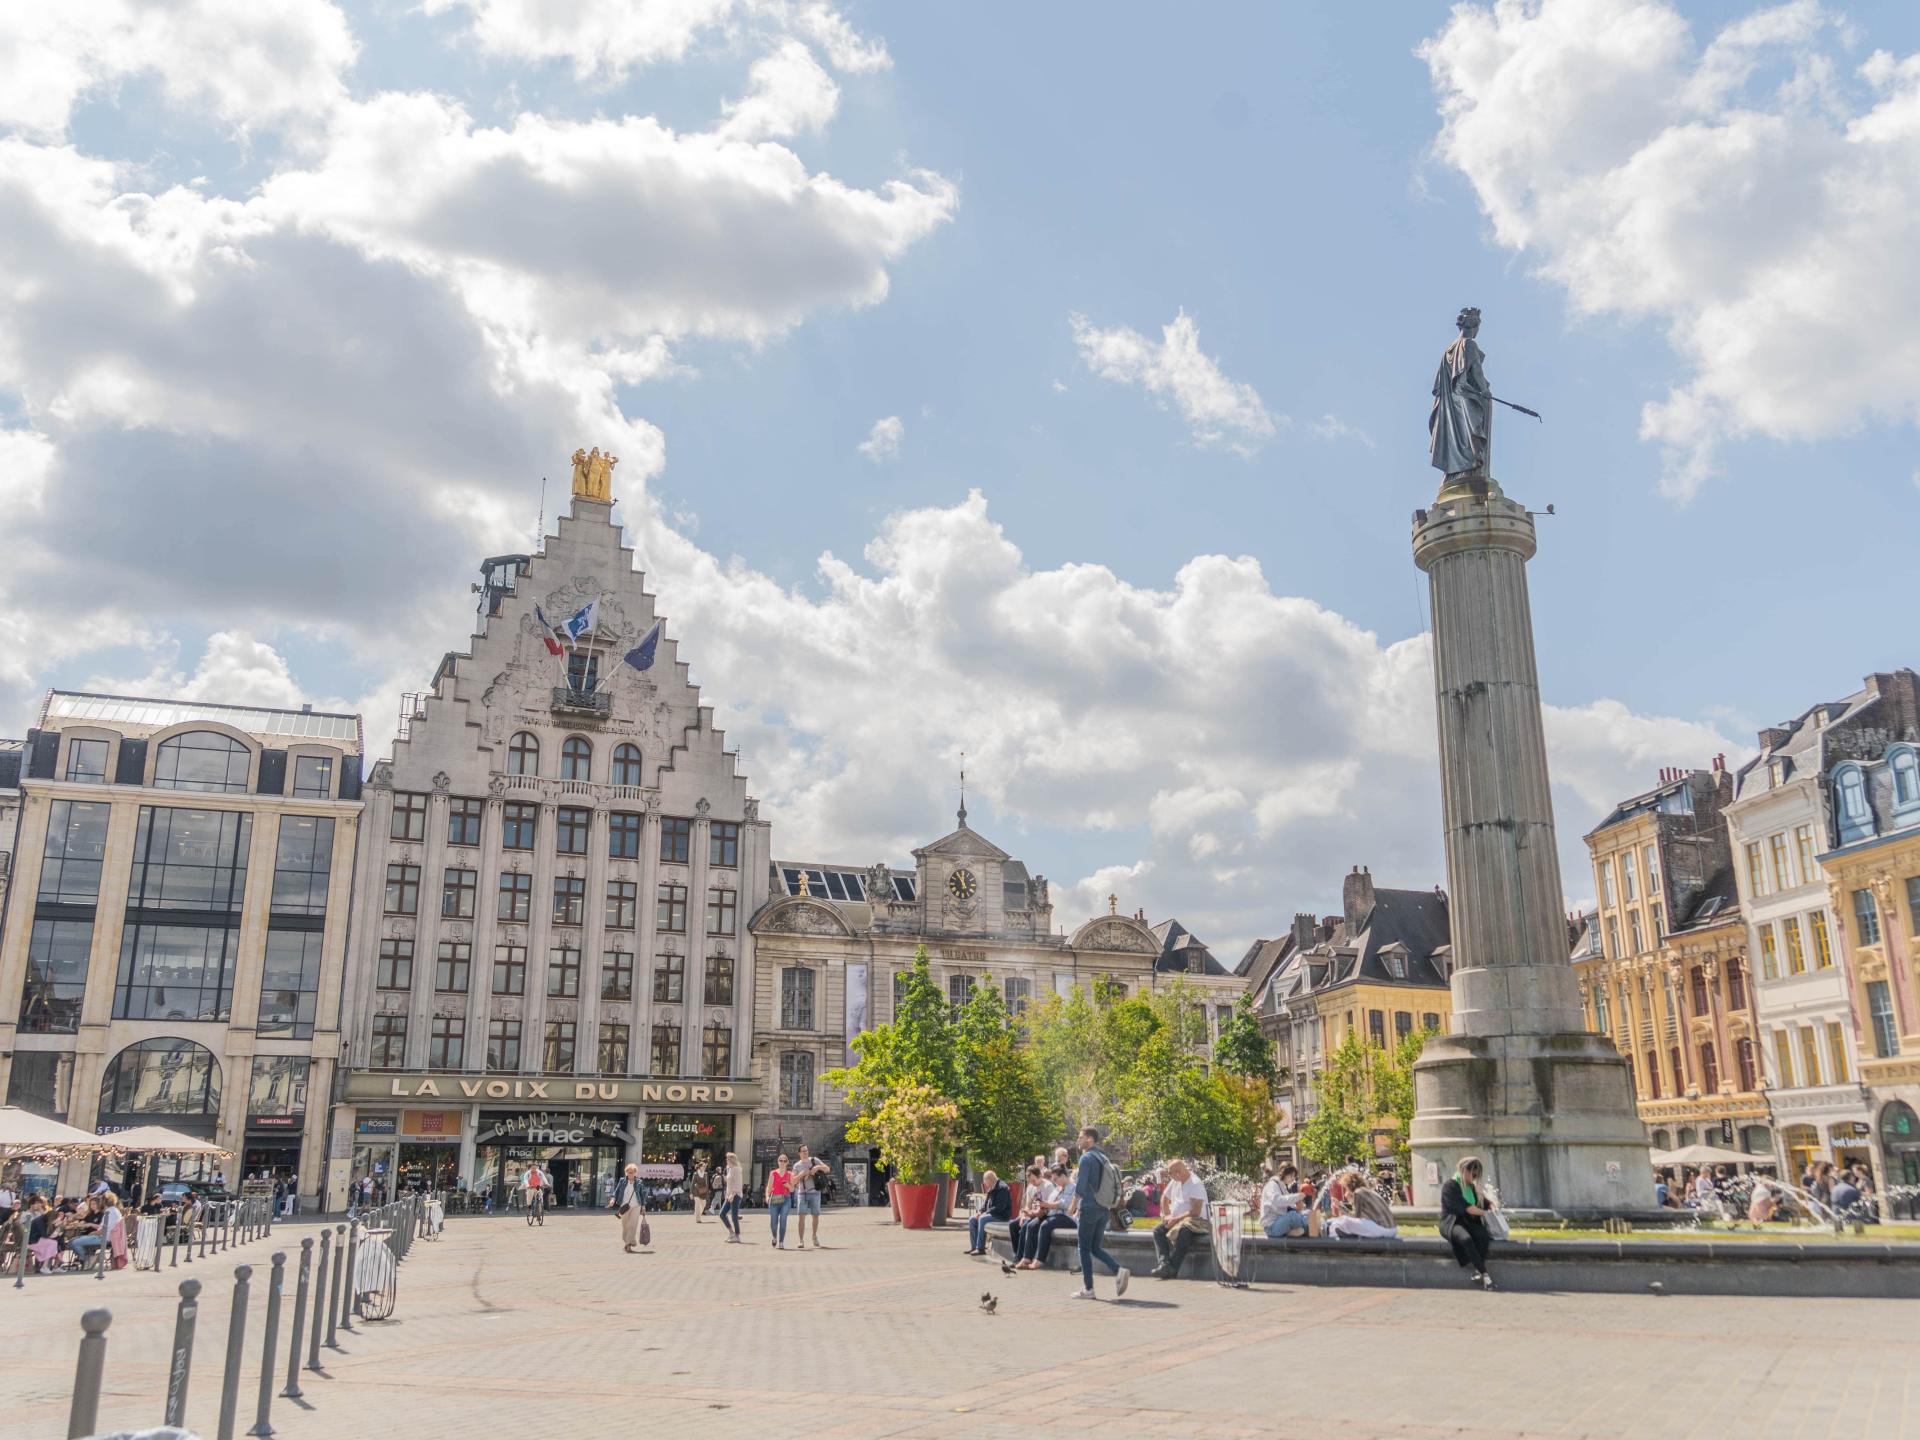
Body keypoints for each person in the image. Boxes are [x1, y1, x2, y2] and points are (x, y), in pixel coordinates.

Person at [1067, 1127, 1130, 1300]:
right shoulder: (1103, 1157)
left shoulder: (1086, 1158)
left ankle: (1088, 1289)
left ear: (1090, 1139)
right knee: (1095, 1247)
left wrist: (1072, 1206)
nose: (1078, 1140)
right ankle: (1118, 1270)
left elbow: (1081, 1186)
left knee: (1083, 1248)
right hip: (1104, 1209)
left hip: (1089, 1207)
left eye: (1080, 1137)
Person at [1439, 1156, 1497, 1290]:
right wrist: (1487, 1214)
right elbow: (1467, 1208)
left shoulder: (1471, 1187)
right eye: (1473, 1175)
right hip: (1451, 1222)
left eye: (1476, 1175)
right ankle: (1485, 1275)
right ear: (1464, 1170)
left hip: (1466, 1222)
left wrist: (1492, 1206)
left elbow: (1485, 1203)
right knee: (1466, 1239)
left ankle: (1477, 1270)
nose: (1474, 1178)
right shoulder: (1450, 1186)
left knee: (1483, 1235)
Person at [1149, 1158, 1209, 1279]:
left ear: (1178, 1173)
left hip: (1196, 1221)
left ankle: (1173, 1268)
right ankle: (1164, 1263)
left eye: (1170, 1174)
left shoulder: (1195, 1184)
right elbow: (1164, 1198)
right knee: (1158, 1231)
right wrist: (1167, 1216)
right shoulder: (1175, 1181)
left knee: (1184, 1233)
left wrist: (1175, 1219)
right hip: (1178, 1219)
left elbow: (1196, 1212)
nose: (1169, 1176)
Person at [1016, 1164, 1076, 1269]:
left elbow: (1065, 1204)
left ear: (1063, 1176)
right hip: (1054, 1215)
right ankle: (1027, 1258)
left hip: (1067, 1217)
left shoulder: (1073, 1188)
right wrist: (1043, 1208)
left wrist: (1048, 1205)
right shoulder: (1058, 1188)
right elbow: (1050, 1202)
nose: (1055, 1182)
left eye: (1056, 1179)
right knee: (1031, 1225)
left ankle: (1039, 1259)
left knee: (1045, 1226)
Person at [1327, 1170, 1398, 1239]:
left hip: (1383, 1230)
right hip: (1392, 1229)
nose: (1346, 1190)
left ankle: (1330, 1240)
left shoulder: (1358, 1193)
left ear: (1349, 1185)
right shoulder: (1366, 1191)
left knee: (1345, 1221)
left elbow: (1355, 1217)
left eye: (1346, 1188)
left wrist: (1340, 1206)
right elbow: (1363, 1216)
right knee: (1341, 1221)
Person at [789, 1145, 829, 1250]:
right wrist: (802, 1174)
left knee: (815, 1215)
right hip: (802, 1193)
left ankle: (814, 1236)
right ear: (799, 1153)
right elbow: (793, 1181)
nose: (805, 1153)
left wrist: (817, 1167)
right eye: (803, 1151)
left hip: (815, 1193)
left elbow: (827, 1169)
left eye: (806, 1150)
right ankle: (801, 1240)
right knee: (801, 1216)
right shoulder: (797, 1165)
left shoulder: (814, 1160)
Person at [1006, 1164, 1049, 1259]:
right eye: (1030, 1181)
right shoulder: (1030, 1187)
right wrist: (1023, 1216)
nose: (1032, 1183)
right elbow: (1027, 1205)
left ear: (1040, 1176)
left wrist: (1031, 1214)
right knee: (1013, 1225)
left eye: (1034, 1180)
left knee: (1026, 1226)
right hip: (1032, 1214)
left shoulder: (1047, 1186)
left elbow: (1046, 1209)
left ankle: (1021, 1257)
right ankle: (1017, 1254)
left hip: (1043, 1215)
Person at [967, 1170, 1011, 1256]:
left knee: (983, 1219)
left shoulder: (1002, 1188)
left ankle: (980, 1248)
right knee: (972, 1219)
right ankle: (974, 1247)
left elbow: (1000, 1207)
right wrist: (980, 1212)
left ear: (990, 1179)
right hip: (992, 1214)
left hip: (1001, 1216)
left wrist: (985, 1213)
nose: (984, 1183)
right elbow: (986, 1203)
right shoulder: (991, 1187)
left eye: (985, 1180)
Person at [1260, 1162, 1309, 1239]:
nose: (1293, 1179)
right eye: (1291, 1176)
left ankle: (1293, 1231)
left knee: (1307, 1212)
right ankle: (1309, 1229)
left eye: (1294, 1176)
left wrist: (1298, 1208)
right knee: (1293, 1216)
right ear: (1284, 1174)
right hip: (1271, 1226)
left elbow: (1288, 1203)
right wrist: (1297, 1196)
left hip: (1280, 1222)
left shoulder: (1282, 1186)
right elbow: (1277, 1201)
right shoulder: (1272, 1185)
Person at [610, 1162, 647, 1253]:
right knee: (625, 1226)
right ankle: (629, 1241)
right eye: (628, 1172)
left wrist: (643, 1207)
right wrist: (613, 1199)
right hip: (624, 1206)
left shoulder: (639, 1182)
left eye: (632, 1172)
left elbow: (642, 1195)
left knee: (632, 1225)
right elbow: (616, 1191)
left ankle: (628, 1245)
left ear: (635, 1173)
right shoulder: (622, 1181)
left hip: (636, 1206)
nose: (630, 1174)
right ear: (626, 1172)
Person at [767, 1153, 794, 1248]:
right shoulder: (773, 1173)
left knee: (783, 1219)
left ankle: (781, 1241)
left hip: (786, 1199)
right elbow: (769, 1187)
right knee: (773, 1222)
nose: (782, 1162)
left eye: (784, 1160)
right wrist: (767, 1196)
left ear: (787, 1162)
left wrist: (788, 1185)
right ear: (778, 1162)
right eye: (780, 1160)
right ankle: (774, 1236)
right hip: (775, 1198)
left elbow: (792, 1190)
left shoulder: (790, 1174)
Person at [719, 1151, 744, 1243]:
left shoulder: (736, 1169)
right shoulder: (730, 1169)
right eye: (726, 1158)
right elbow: (729, 1183)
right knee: (722, 1214)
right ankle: (731, 1233)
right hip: (729, 1195)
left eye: (728, 1158)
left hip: (735, 1195)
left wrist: (733, 1194)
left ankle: (737, 1236)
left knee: (734, 1217)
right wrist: (727, 1195)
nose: (726, 1160)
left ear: (732, 1160)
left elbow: (738, 1184)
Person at [521, 1161, 548, 1226]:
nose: (534, 1169)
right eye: (533, 1168)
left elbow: (543, 1178)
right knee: (530, 1194)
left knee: (540, 1196)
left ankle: (539, 1213)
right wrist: (528, 1186)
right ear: (530, 1168)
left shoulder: (539, 1172)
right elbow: (525, 1180)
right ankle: (529, 1206)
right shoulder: (527, 1173)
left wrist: (546, 1183)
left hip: (537, 1187)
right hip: (530, 1187)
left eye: (535, 1168)